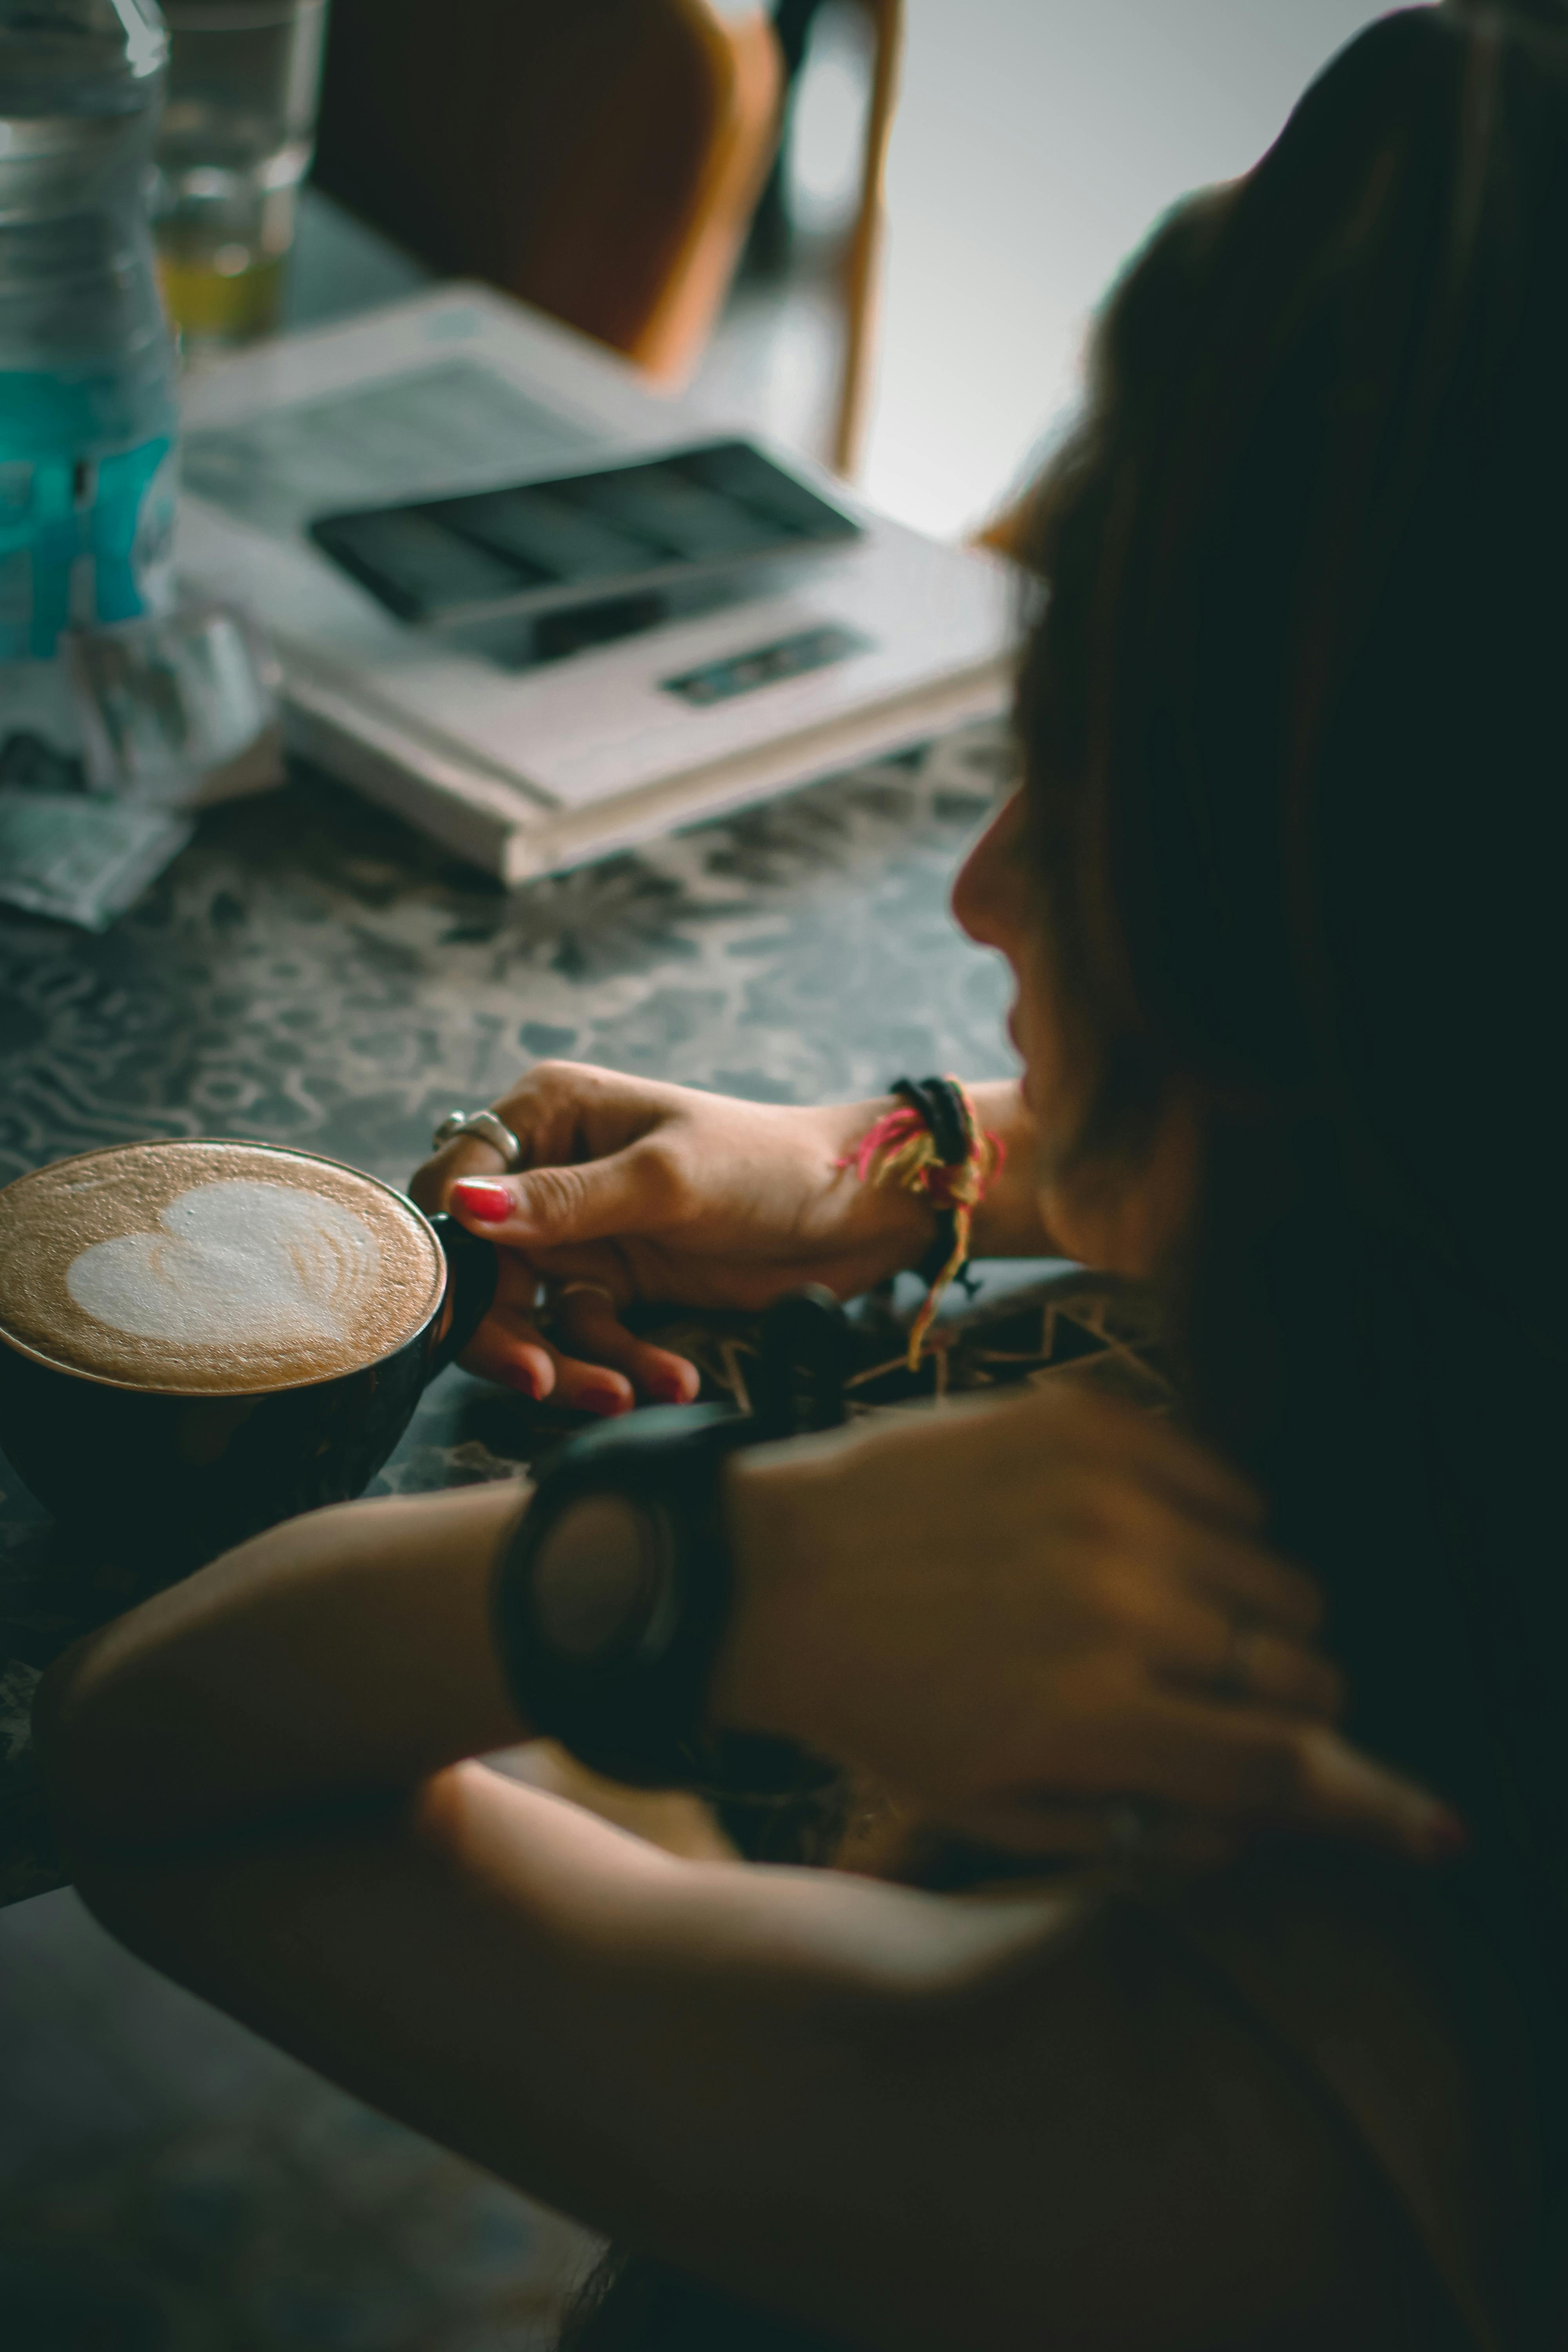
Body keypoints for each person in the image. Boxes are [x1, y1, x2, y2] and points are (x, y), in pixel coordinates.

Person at [34, 5, 1568, 2343]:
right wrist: (904, 1164)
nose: (976, 895)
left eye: (1088, 789)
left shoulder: (1242, 2123)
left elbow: (149, 1762)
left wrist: (690, 1573)